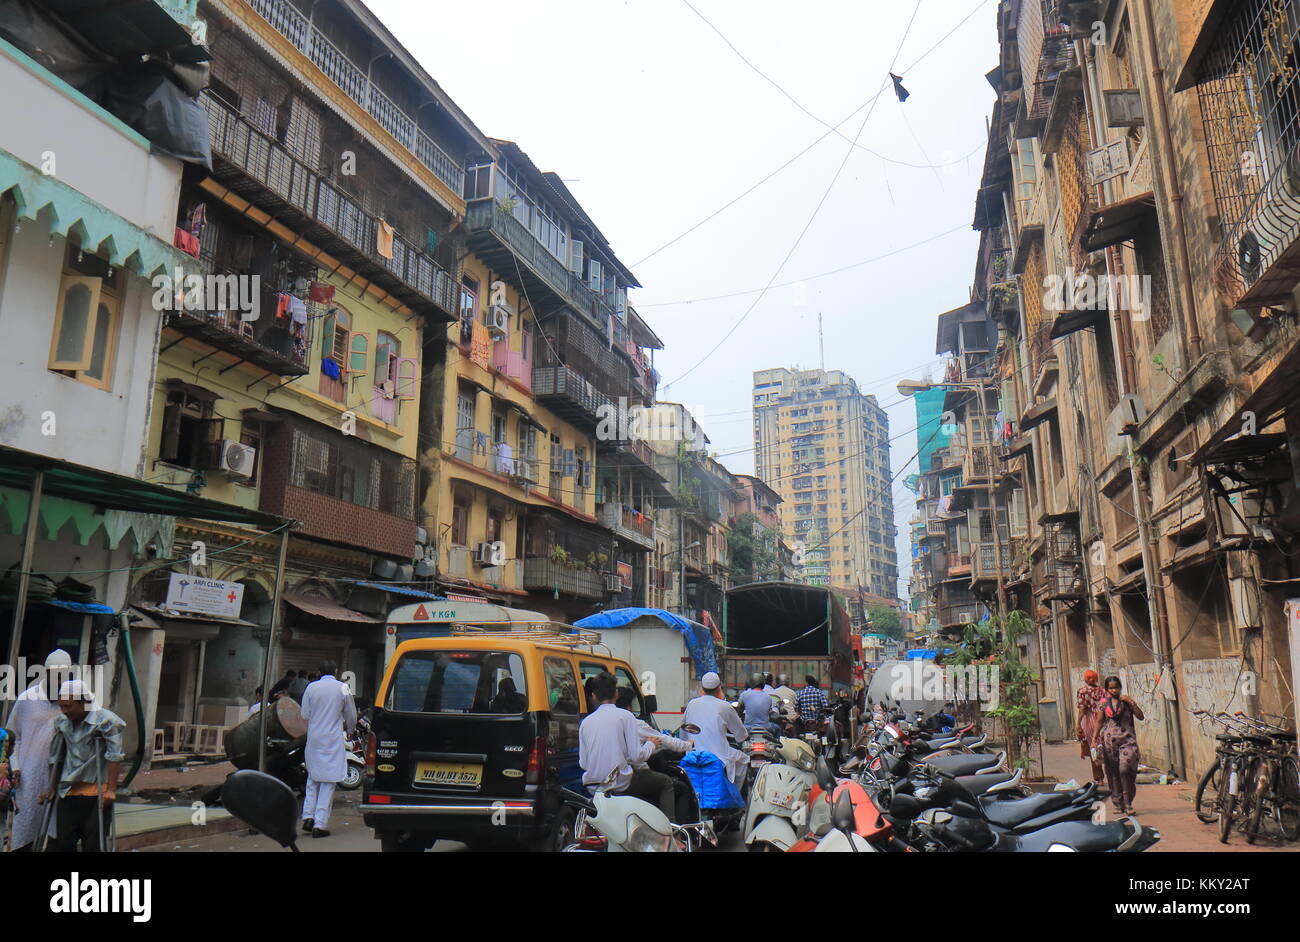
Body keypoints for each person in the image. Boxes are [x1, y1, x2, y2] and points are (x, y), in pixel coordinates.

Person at [41, 678, 125, 853]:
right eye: (61, 706)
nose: (64, 711)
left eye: (69, 706)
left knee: (93, 845)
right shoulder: (62, 722)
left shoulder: (106, 721)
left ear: (83, 702)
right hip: (68, 791)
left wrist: (111, 789)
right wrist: (51, 786)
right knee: (61, 845)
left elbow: (114, 756)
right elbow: (56, 756)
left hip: (97, 793)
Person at [578, 672, 675, 821]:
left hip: (593, 785)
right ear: (616, 694)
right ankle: (672, 833)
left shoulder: (585, 723)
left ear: (594, 696)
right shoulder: (626, 716)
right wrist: (651, 744)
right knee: (666, 783)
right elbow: (637, 756)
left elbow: (583, 763)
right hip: (620, 783)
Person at [7, 649, 72, 851]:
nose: (58, 679)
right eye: (54, 674)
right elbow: (13, 736)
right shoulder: (28, 698)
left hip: (62, 778)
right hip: (28, 776)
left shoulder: (76, 701)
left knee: (56, 836)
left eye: (63, 675)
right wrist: (14, 766)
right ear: (46, 672)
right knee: (24, 832)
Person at [299, 661, 357, 838]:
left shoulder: (311, 687)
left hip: (314, 738)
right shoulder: (343, 688)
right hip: (332, 739)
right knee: (328, 780)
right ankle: (320, 824)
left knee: (313, 777)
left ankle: (308, 816)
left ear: (318, 671)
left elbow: (305, 714)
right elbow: (352, 715)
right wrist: (350, 730)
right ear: (336, 671)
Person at [682, 671, 749, 789]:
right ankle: (734, 795)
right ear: (719, 688)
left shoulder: (692, 704)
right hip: (718, 757)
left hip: (693, 755)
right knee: (744, 760)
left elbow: (683, 735)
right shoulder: (724, 706)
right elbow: (741, 736)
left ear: (702, 688)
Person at [1092, 675, 1144, 815]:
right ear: (1107, 689)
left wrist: (1132, 703)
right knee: (1113, 773)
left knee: (1125, 769)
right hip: (1110, 743)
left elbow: (1140, 716)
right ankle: (1118, 803)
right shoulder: (1104, 704)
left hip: (1127, 741)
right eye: (1111, 688)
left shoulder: (1126, 702)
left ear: (1120, 688)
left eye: (1116, 687)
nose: (1114, 690)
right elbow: (1099, 721)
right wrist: (1094, 738)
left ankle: (1128, 801)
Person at [1076, 669, 1107, 786]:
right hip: (1102, 721)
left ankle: (1099, 778)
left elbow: (1082, 709)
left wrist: (1078, 724)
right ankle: (1110, 776)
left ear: (1085, 679)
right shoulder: (1103, 691)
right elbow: (1104, 706)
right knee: (1104, 749)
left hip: (1089, 722)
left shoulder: (1083, 691)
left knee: (1094, 751)